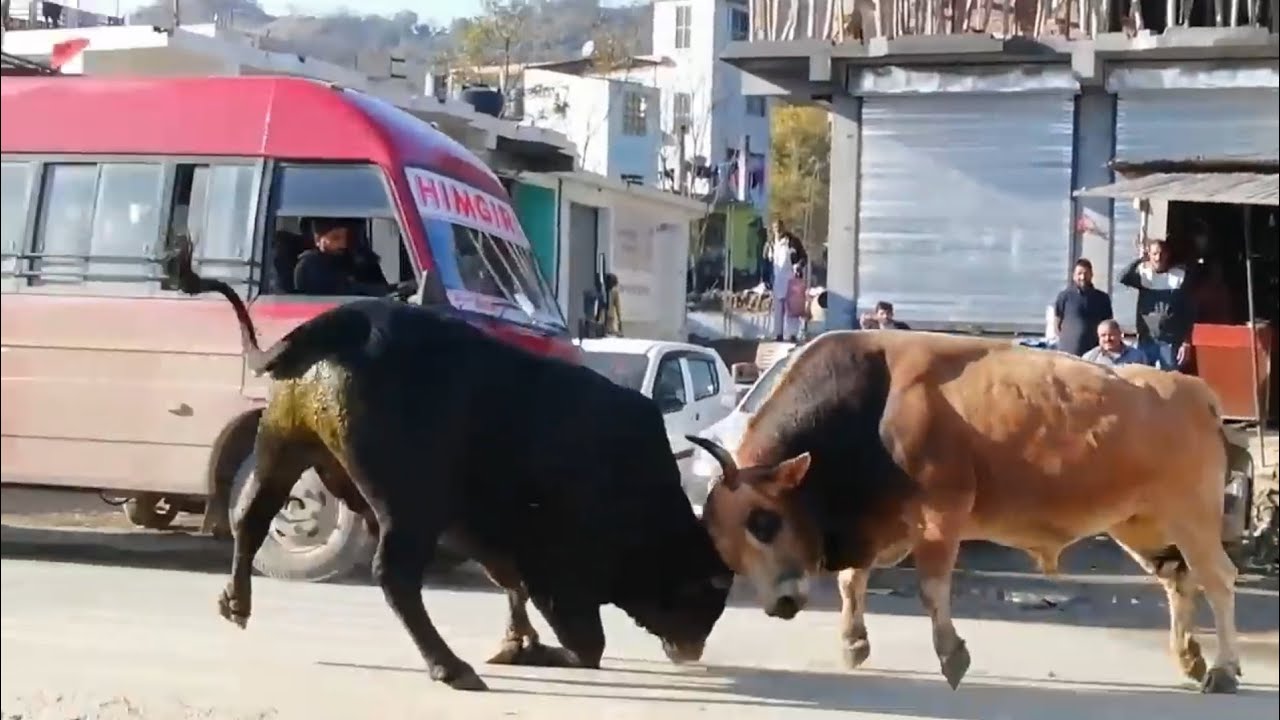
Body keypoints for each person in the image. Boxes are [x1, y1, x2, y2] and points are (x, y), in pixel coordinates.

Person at [1119, 238, 1194, 371]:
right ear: (1149, 255)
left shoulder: (1180, 276)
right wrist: (1140, 260)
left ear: (1168, 254)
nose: (1158, 258)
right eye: (1154, 254)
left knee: (1169, 380)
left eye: (1161, 254)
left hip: (1170, 342)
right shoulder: (1144, 275)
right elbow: (1122, 277)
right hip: (1147, 339)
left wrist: (1186, 341)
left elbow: (1188, 312)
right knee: (1144, 378)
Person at [293, 217, 395, 297]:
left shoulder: (361, 260)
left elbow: (383, 291)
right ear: (318, 239)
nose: (343, 244)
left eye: (349, 237)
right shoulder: (310, 265)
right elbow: (341, 292)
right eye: (335, 238)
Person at [1053, 258, 1114, 357]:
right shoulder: (1064, 296)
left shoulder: (1102, 298)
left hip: (1093, 355)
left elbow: (1108, 326)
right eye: (1079, 274)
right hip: (1067, 353)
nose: (1082, 277)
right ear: (1073, 276)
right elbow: (1057, 323)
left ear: (1092, 274)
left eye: (1086, 273)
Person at [765, 219, 807, 341]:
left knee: (791, 308)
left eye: (780, 228)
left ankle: (792, 334)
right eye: (775, 228)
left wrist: (799, 265)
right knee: (778, 308)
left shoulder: (793, 242)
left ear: (783, 228)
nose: (778, 231)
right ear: (773, 230)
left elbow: (803, 257)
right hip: (777, 279)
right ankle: (778, 334)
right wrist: (766, 278)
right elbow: (766, 262)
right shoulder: (770, 244)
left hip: (791, 279)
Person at [1082, 319, 1149, 367]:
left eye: (1111, 335)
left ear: (1120, 334)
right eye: (1103, 335)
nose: (1107, 339)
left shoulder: (1137, 356)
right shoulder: (1089, 358)